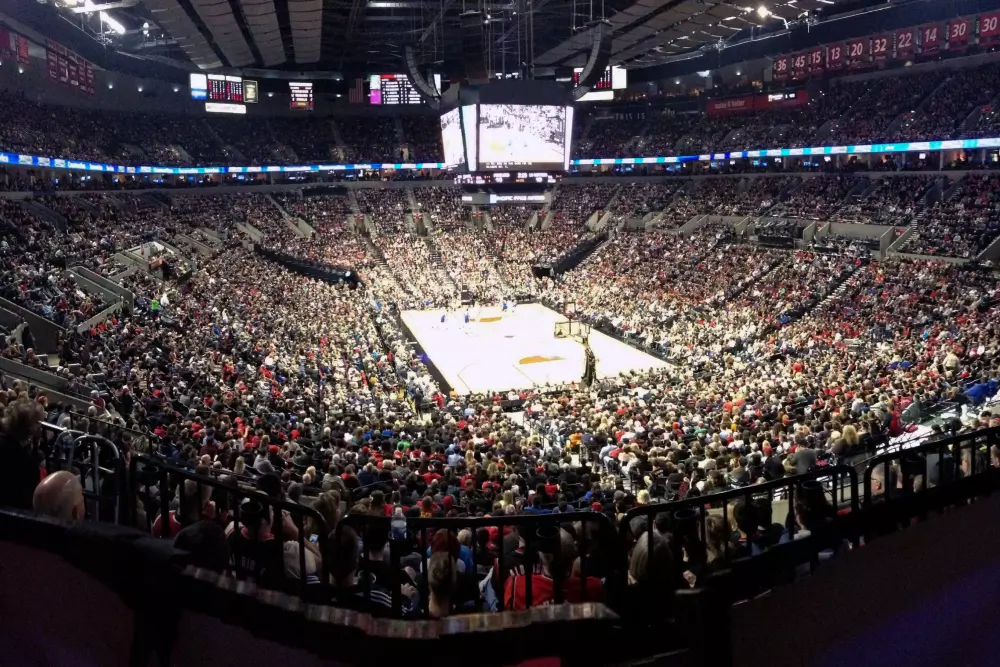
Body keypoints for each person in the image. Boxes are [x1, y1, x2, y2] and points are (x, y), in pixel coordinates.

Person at [0, 399, 45, 510]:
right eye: (37, 422)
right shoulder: (23, 457)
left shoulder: (8, 442)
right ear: (27, 426)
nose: (41, 426)